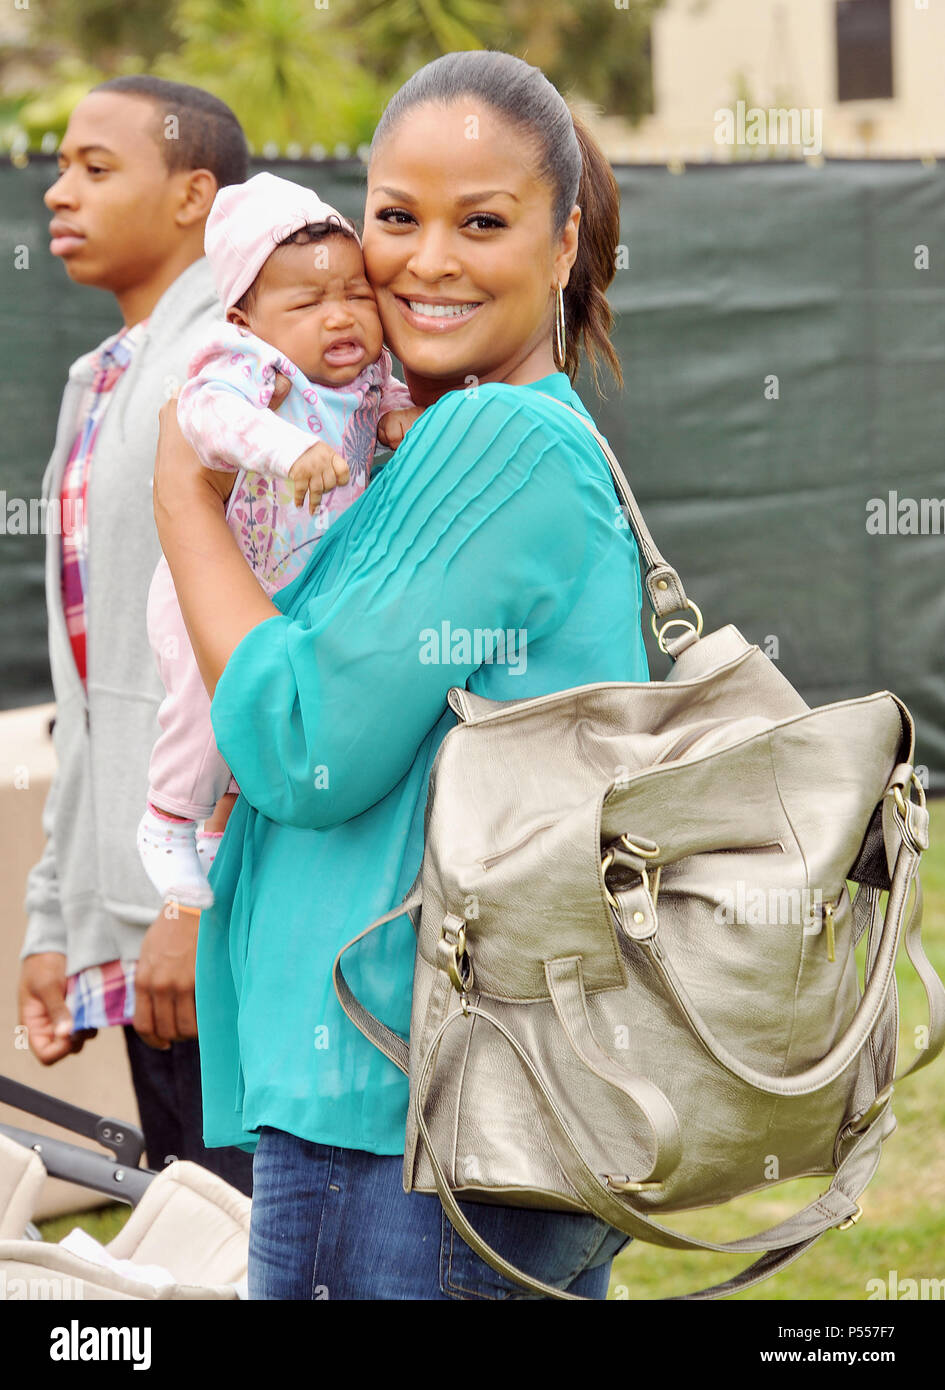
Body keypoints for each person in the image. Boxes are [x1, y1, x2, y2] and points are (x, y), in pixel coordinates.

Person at [153, 50, 648, 1297]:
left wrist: (186, 508)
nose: (427, 261)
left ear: (564, 237)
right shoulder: (441, 437)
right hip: (430, 1102)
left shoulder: (497, 435)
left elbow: (300, 743)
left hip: (405, 1112)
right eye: (396, 217)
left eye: (483, 222)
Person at [18, 75, 254, 1196]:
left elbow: (251, 653)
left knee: (256, 1252)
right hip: (143, 936)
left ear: (194, 196)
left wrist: (185, 897)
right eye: (60, 164)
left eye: (95, 168)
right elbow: (93, 689)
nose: (57, 191)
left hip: (217, 932)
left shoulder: (231, 371)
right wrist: (55, 922)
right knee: (193, 1250)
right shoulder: (106, 376)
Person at [137, 171, 420, 910]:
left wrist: (394, 414)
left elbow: (382, 394)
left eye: (355, 295)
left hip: (289, 586)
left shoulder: (363, 373)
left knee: (262, 709)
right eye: (308, 302)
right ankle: (167, 818)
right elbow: (205, 416)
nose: (341, 318)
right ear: (245, 317)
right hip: (212, 581)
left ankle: (215, 831)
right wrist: (286, 452)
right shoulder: (248, 368)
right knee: (210, 703)